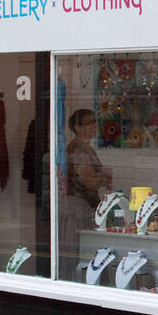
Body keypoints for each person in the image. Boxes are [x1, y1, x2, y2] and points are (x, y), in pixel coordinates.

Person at [59, 109, 112, 280]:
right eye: (89, 123)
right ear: (78, 127)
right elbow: (88, 180)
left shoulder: (86, 148)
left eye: (95, 121)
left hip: (82, 206)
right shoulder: (78, 149)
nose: (94, 126)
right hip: (78, 208)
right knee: (79, 251)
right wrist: (102, 176)